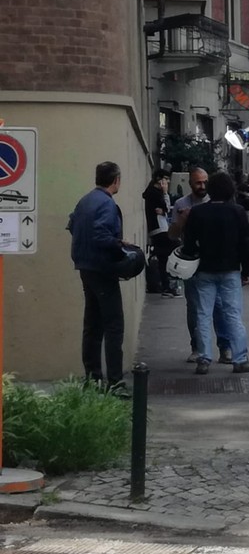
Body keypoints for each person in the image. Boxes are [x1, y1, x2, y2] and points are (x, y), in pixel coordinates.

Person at [180, 171, 249, 375]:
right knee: (233, 314)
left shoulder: (198, 212)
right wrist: (247, 270)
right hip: (230, 269)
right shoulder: (238, 212)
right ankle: (240, 358)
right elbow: (245, 243)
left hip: (204, 269)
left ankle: (204, 358)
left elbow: (189, 243)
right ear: (230, 190)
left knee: (203, 314)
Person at [68, 161, 127, 391]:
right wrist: (119, 244)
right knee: (114, 325)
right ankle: (115, 380)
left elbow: (73, 225)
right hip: (102, 268)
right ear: (116, 180)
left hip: (85, 266)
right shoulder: (106, 204)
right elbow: (101, 235)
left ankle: (92, 378)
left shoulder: (85, 200)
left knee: (92, 324)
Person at [170, 168, 230, 363]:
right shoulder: (181, 204)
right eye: (198, 183)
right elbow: (172, 234)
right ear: (190, 183)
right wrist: (182, 220)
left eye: (205, 182)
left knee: (219, 307)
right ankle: (197, 347)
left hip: (214, 261)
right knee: (194, 307)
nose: (202, 186)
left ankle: (225, 347)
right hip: (192, 263)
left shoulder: (216, 202)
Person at [143, 168, 177, 297]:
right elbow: (167, 207)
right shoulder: (156, 193)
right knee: (175, 247)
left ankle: (166, 286)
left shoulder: (150, 193)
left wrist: (163, 210)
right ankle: (168, 284)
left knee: (163, 258)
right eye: (166, 179)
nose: (168, 182)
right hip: (160, 228)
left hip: (157, 229)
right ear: (160, 180)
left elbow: (164, 210)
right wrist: (165, 193)